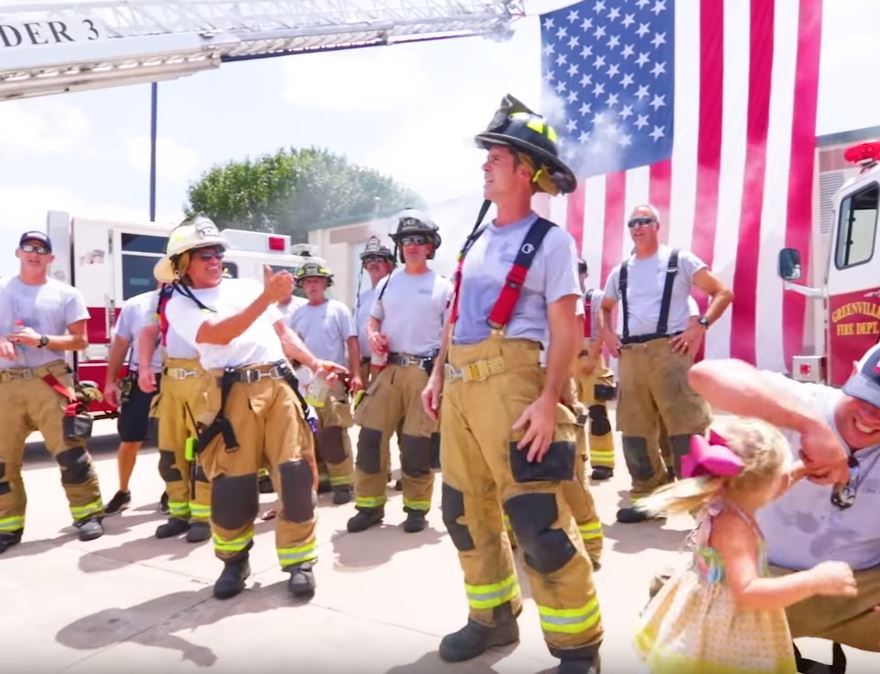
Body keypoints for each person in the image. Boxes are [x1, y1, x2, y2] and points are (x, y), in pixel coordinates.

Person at [422, 95, 603, 674]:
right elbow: (455, 318)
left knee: (537, 522)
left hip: (515, 385)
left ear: (524, 170)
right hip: (459, 389)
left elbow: (566, 327)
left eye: (494, 156)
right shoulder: (474, 239)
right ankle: (491, 617)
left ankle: (579, 646)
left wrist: (551, 400)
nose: (484, 165)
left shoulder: (551, 241)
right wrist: (436, 376)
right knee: (463, 511)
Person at [157, 215, 340, 599]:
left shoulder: (242, 287)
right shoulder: (179, 304)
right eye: (202, 254)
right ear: (180, 265)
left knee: (295, 476)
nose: (213, 259)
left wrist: (313, 362)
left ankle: (299, 561)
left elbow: (282, 332)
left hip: (278, 386)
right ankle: (234, 561)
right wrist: (266, 297)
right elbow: (219, 334)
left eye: (216, 252)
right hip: (231, 393)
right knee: (233, 487)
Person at [686, 350, 879, 658]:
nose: (870, 417)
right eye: (866, 397)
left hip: (860, 585)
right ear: (853, 372)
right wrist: (809, 426)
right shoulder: (805, 401)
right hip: (764, 578)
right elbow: (704, 375)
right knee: (704, 630)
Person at [634, 418, 857, 673]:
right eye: (779, 475)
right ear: (760, 484)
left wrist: (802, 469)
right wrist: (816, 580)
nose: (783, 480)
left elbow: (770, 487)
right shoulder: (736, 527)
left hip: (704, 610)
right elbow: (749, 591)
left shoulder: (725, 497)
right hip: (728, 627)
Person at [600, 204, 733, 523]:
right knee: (634, 430)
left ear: (657, 226)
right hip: (631, 357)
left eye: (645, 221)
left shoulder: (680, 260)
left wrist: (699, 325)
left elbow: (722, 293)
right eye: (633, 222)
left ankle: (700, 502)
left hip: (669, 352)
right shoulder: (621, 271)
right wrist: (607, 334)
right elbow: (605, 307)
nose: (638, 226)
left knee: (687, 427)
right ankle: (648, 499)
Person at [347, 209, 452, 534]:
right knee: (370, 440)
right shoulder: (389, 282)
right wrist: (374, 333)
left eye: (419, 240)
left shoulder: (443, 287)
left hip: (423, 372)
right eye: (406, 240)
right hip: (388, 371)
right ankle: (369, 506)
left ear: (431, 247)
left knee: (416, 445)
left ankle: (416, 509)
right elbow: (373, 318)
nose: (412, 245)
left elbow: (449, 335)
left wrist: (438, 377)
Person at [0, 231, 104, 553]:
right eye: (28, 248)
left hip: (50, 380)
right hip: (6, 383)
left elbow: (81, 341)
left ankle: (88, 514)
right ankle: (8, 526)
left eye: (41, 249)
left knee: (70, 454)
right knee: (3, 463)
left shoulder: (66, 293)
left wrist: (41, 340)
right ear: (18, 252)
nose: (34, 253)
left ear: (51, 258)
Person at [137, 287, 212, 543]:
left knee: (206, 451)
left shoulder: (214, 292)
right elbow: (149, 332)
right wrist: (144, 368)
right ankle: (179, 513)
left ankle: (204, 516)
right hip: (171, 379)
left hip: (203, 376)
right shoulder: (163, 297)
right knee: (170, 452)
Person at [289, 260, 362, 505]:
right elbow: (293, 350)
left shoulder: (338, 309)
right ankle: (324, 478)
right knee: (313, 431)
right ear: (301, 285)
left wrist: (356, 374)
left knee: (334, 431)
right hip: (307, 383)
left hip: (333, 381)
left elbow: (351, 342)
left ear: (325, 283)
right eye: (308, 281)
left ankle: (344, 483)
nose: (313, 285)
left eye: (317, 280)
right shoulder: (297, 315)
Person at [102, 290, 164, 515]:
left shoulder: (192, 300)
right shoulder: (137, 304)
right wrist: (110, 382)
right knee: (130, 439)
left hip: (175, 376)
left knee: (173, 441)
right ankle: (123, 490)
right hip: (140, 378)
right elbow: (120, 344)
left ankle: (173, 491)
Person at [574, 258, 616, 481]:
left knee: (598, 413)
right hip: (567, 359)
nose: (575, 273)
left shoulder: (596, 297)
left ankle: (603, 463)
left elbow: (603, 328)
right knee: (571, 413)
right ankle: (575, 458)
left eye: (579, 269)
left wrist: (591, 356)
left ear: (585, 273)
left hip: (592, 357)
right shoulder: (562, 297)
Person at [354, 236, 396, 387]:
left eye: (378, 259)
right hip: (364, 366)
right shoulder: (361, 298)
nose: (372, 263)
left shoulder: (396, 293)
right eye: (369, 260)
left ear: (390, 265)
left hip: (388, 366)